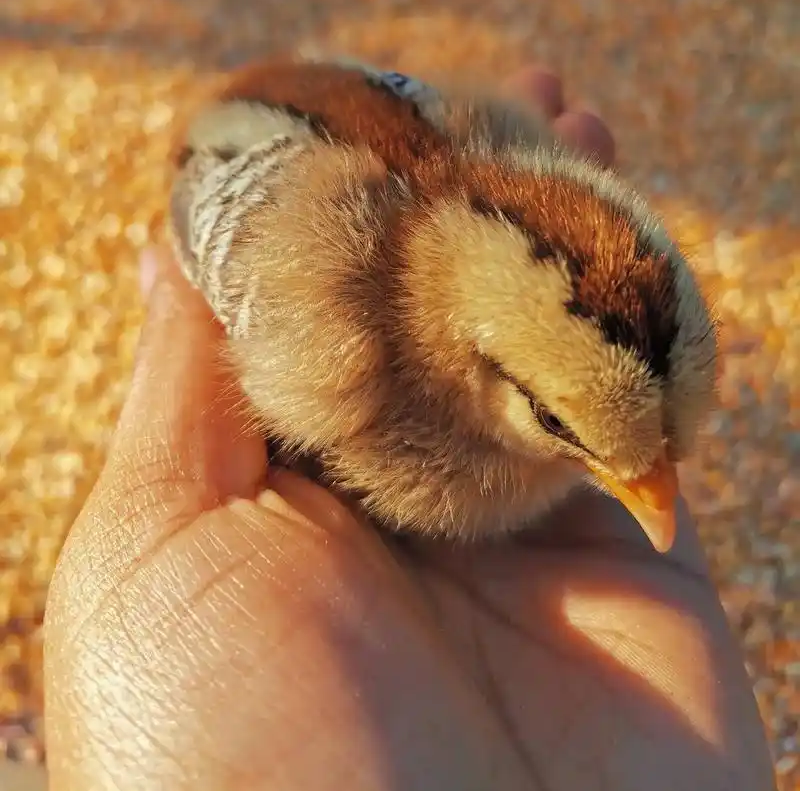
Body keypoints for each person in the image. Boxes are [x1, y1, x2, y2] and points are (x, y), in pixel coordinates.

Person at [43, 67, 776, 791]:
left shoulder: (504, 161)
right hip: (276, 144)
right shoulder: (329, 330)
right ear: (470, 358)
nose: (656, 493)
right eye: (555, 418)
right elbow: (210, 180)